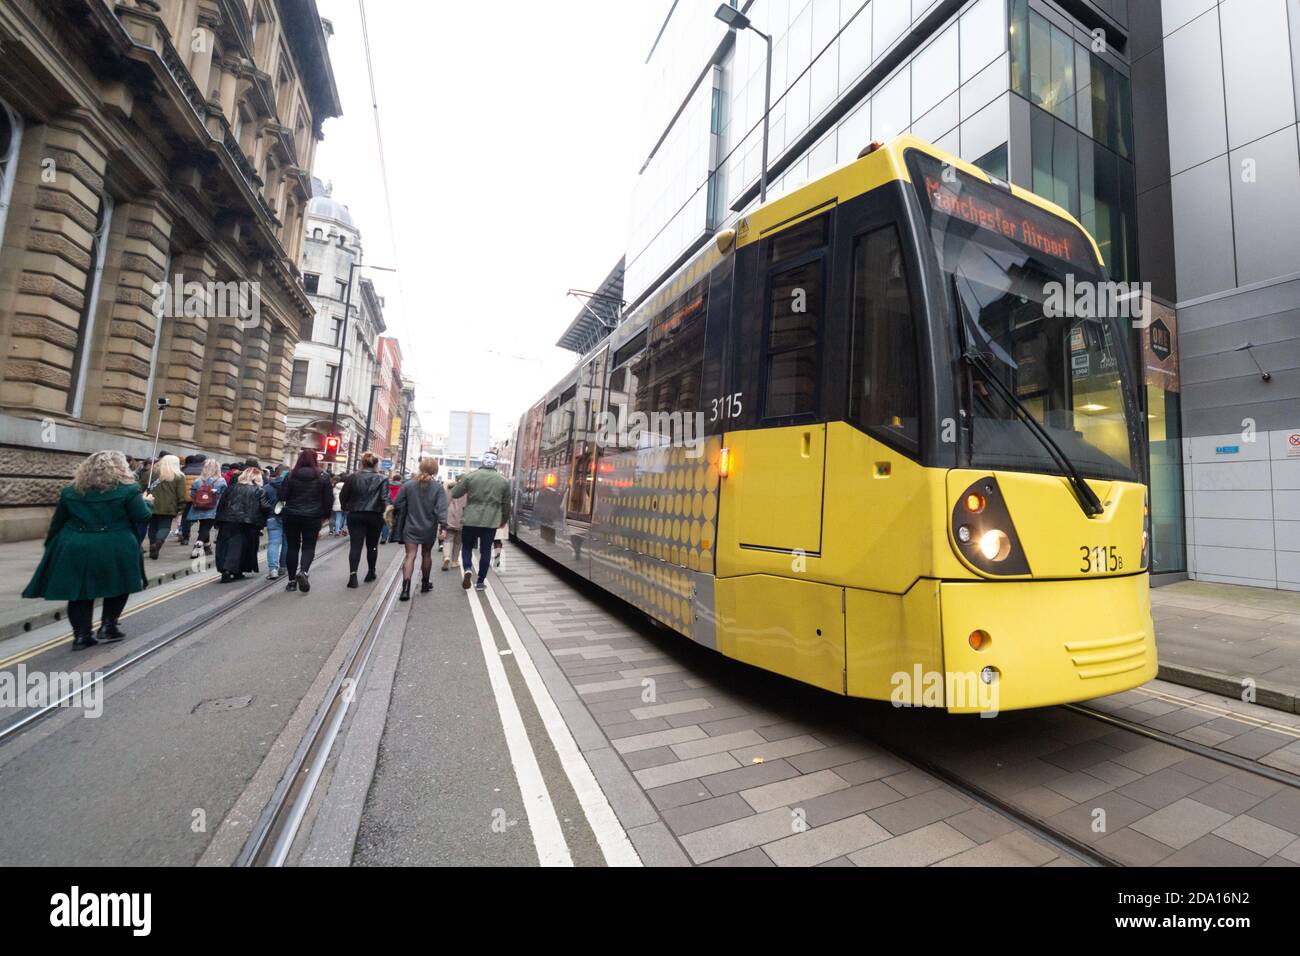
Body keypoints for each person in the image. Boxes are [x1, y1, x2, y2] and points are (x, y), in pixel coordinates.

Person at [23, 450, 154, 649]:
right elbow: (142, 516)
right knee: (118, 586)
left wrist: (51, 548)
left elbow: (58, 523)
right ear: (120, 468)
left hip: (77, 544)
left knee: (80, 591)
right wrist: (148, 503)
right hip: (116, 544)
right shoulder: (129, 490)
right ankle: (108, 627)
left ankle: (81, 636)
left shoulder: (71, 490)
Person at [451, 449, 511, 591]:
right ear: (495, 462)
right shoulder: (503, 481)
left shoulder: (471, 477)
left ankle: (467, 569)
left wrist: (464, 482)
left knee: (466, 546)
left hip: (471, 518)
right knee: (485, 551)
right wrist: (504, 519)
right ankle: (480, 582)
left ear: (482, 460)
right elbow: (506, 504)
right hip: (491, 520)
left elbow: (455, 493)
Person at [278, 449, 333, 593]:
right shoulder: (323, 476)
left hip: (292, 515)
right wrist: (326, 515)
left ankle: (291, 582)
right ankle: (303, 572)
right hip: (313, 516)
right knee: (309, 546)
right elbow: (328, 500)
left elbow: (282, 495)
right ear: (316, 459)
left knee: (292, 547)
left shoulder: (290, 475)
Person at [393, 458, 448, 601]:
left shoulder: (408, 485)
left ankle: (405, 589)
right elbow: (441, 510)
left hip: (410, 525)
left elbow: (397, 503)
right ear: (435, 470)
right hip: (429, 527)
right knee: (427, 554)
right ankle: (424, 583)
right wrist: (443, 527)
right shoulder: (437, 487)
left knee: (410, 555)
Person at [340, 453, 388, 588]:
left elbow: (343, 495)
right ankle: (371, 571)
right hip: (374, 515)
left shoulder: (352, 477)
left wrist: (346, 507)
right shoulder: (382, 478)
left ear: (362, 463)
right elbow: (385, 498)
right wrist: (387, 512)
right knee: (372, 545)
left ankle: (353, 575)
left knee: (355, 546)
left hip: (355, 514)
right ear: (376, 464)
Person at [214, 467, 269, 583]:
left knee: (225, 544)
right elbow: (264, 507)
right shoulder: (259, 490)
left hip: (227, 520)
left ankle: (227, 569)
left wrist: (218, 521)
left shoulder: (231, 488)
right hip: (248, 522)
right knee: (241, 546)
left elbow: (221, 505)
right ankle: (231, 569)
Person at [140, 453, 187, 560]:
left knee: (152, 527)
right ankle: (157, 544)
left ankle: (152, 544)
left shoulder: (150, 474)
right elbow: (181, 494)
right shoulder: (179, 476)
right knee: (164, 527)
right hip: (169, 507)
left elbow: (140, 487)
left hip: (150, 503)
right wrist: (181, 508)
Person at [183, 457, 226, 559]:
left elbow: (193, 494)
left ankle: (207, 547)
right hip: (213, 508)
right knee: (206, 527)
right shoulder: (221, 481)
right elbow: (225, 495)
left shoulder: (198, 481)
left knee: (203, 527)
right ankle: (197, 546)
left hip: (199, 507)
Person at [176, 453, 207, 544]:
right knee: (202, 518)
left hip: (187, 498)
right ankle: (201, 539)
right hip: (200, 498)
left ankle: (185, 538)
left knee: (185, 518)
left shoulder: (183, 470)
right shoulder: (203, 471)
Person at [263, 465, 286, 580]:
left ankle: (273, 570)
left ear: (276, 473)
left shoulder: (267, 487)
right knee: (287, 543)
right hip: (288, 518)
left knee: (273, 543)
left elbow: (262, 504)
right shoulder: (292, 487)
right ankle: (283, 566)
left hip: (272, 517)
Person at [442, 476, 465, 572]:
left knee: (448, 538)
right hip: (462, 517)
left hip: (450, 515)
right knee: (458, 541)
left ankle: (447, 557)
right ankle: (455, 561)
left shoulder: (450, 488)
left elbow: (445, 503)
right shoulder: (467, 490)